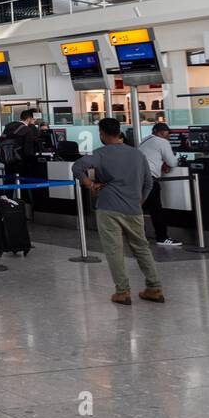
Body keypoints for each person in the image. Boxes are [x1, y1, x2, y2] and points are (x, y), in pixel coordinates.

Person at [73, 118, 164, 305]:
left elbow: (77, 166)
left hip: (108, 208)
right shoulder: (137, 155)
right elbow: (148, 182)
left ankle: (123, 292)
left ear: (102, 134)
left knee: (114, 250)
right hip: (134, 208)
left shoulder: (101, 153)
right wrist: (140, 200)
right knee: (141, 247)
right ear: (119, 132)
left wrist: (89, 183)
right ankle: (154, 288)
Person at [138, 124, 181, 246]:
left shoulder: (145, 140)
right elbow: (172, 162)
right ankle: (162, 237)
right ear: (162, 133)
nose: (169, 136)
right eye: (168, 134)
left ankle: (140, 236)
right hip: (149, 179)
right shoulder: (162, 142)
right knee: (156, 209)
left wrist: (162, 163)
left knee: (139, 208)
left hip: (137, 178)